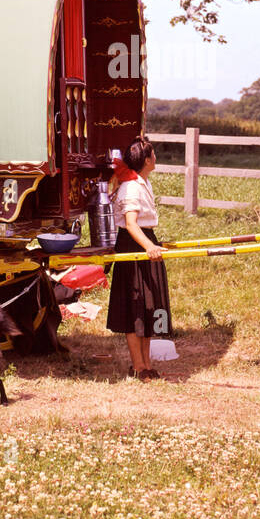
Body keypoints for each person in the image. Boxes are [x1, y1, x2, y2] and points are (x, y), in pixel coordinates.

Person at [107, 136, 172, 380]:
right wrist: (149, 246)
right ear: (146, 160)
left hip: (146, 241)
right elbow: (132, 225)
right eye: (153, 154)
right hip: (133, 244)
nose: (156, 157)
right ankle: (137, 366)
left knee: (148, 306)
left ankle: (147, 364)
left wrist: (152, 243)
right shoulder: (131, 186)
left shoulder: (142, 182)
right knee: (134, 306)